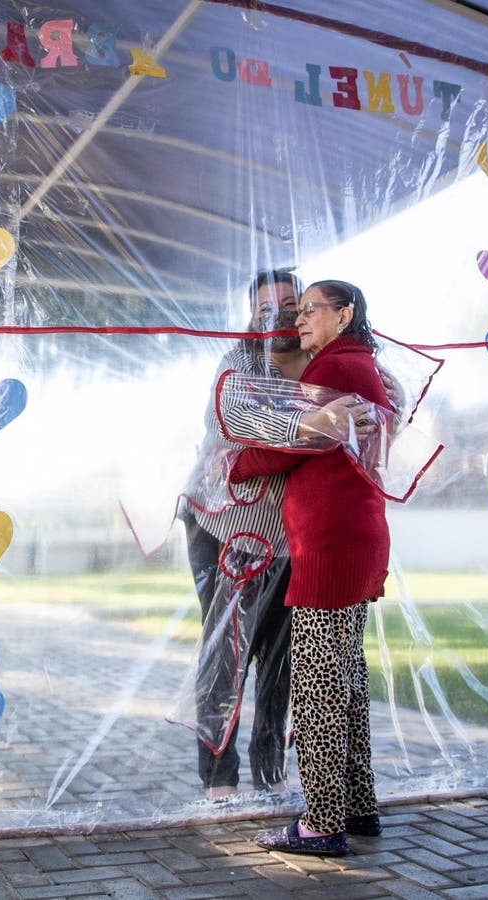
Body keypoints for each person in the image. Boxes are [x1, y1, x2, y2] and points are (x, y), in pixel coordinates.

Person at [179, 269, 374, 800]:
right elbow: (234, 422)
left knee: (282, 655)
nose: (283, 314)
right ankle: (218, 779)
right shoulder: (239, 363)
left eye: (292, 303)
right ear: (251, 314)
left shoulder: (322, 360)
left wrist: (347, 419)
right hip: (222, 523)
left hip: (293, 533)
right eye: (268, 306)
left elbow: (372, 410)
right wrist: (314, 426)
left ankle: (270, 770)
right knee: (226, 648)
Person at [227, 279, 390, 856]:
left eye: (309, 310)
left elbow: (293, 441)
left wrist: (239, 462)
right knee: (346, 678)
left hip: (329, 545)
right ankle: (358, 804)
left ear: (344, 314)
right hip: (353, 540)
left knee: (319, 686)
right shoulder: (357, 363)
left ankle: (322, 823)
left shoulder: (339, 368)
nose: (298, 320)